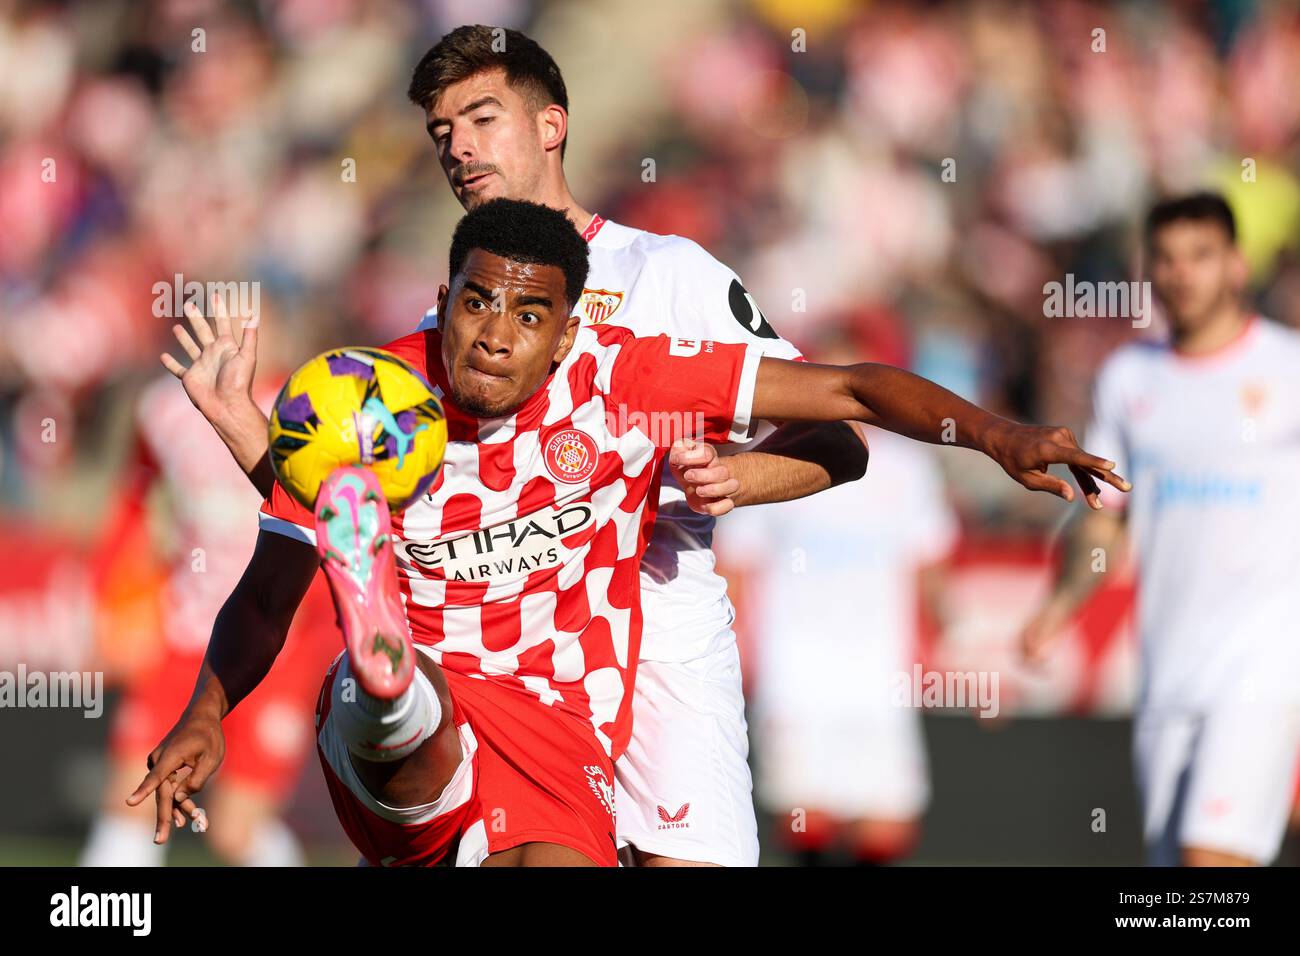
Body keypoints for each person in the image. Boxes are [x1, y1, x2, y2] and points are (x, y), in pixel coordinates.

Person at [132, 197, 1126, 867]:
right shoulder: (373, 394)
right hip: (421, 716)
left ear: (568, 332)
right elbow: (270, 584)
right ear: (441, 302)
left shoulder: (627, 375)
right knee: (407, 714)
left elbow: (851, 389)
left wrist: (998, 434)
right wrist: (206, 711)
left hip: (562, 732)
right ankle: (381, 653)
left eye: (528, 314)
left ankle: (371, 615)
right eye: (474, 300)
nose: (493, 331)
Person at [160, 24, 871, 868]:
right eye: (440, 133)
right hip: (506, 658)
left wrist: (736, 478)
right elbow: (357, 514)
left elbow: (845, 439)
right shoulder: (445, 335)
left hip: (665, 645)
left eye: (481, 118)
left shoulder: (667, 274)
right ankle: (395, 708)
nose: (458, 147)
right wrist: (250, 430)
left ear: (551, 125)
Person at [1022, 192, 1300, 867]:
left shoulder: (1288, 368)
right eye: (1168, 259)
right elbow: (1107, 522)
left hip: (1262, 668)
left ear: (1235, 265)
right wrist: (1059, 607)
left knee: (1214, 861)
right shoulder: (1127, 379)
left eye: (1200, 256)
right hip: (1169, 671)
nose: (1182, 274)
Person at [720, 325, 958, 865]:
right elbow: (738, 562)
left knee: (887, 826)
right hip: (797, 669)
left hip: (878, 670)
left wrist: (960, 645)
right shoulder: (772, 458)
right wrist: (733, 654)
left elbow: (928, 564)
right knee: (809, 822)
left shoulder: (907, 468)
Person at [82, 361, 335, 867]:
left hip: (275, 642)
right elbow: (134, 503)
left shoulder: (308, 405)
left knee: (235, 831)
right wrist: (112, 600)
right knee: (132, 797)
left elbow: (332, 523)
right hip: (185, 633)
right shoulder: (160, 409)